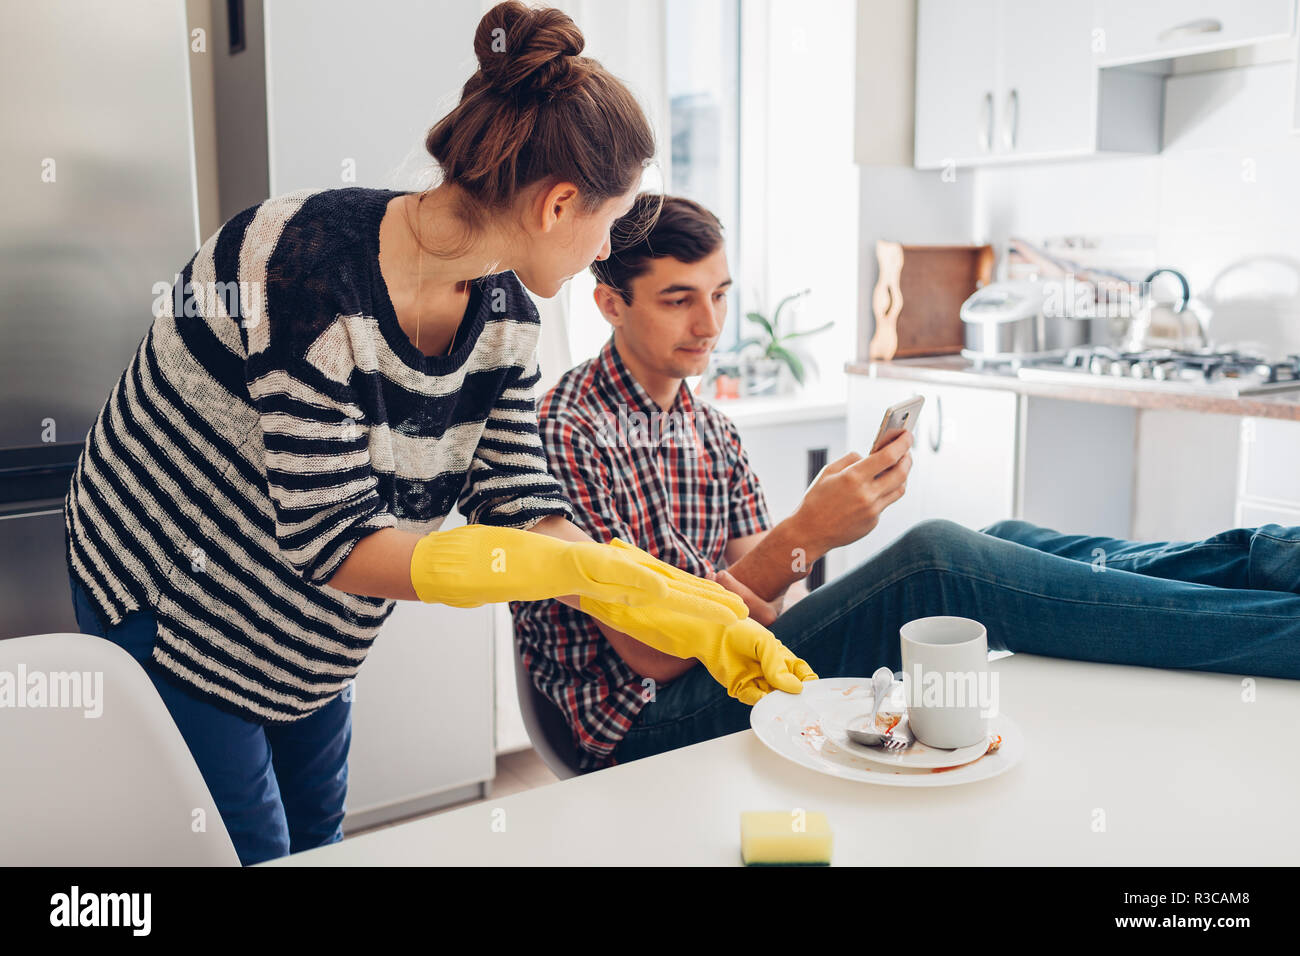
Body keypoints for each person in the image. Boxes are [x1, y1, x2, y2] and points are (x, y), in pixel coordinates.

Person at [63, 3, 810, 866]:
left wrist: (651, 590)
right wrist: (574, 569)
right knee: (253, 852)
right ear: (558, 203)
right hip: (170, 601)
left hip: (311, 637)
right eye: (611, 222)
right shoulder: (300, 270)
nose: (606, 247)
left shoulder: (505, 319)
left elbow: (523, 503)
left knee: (320, 843)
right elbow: (333, 541)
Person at [511, 192, 1300, 772]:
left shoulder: (705, 424)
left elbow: (769, 599)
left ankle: (1272, 558)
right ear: (609, 302)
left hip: (738, 662)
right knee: (938, 564)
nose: (710, 327)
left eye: (719, 295)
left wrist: (798, 543)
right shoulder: (568, 430)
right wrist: (805, 536)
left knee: (1004, 542)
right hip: (639, 725)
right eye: (678, 301)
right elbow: (655, 653)